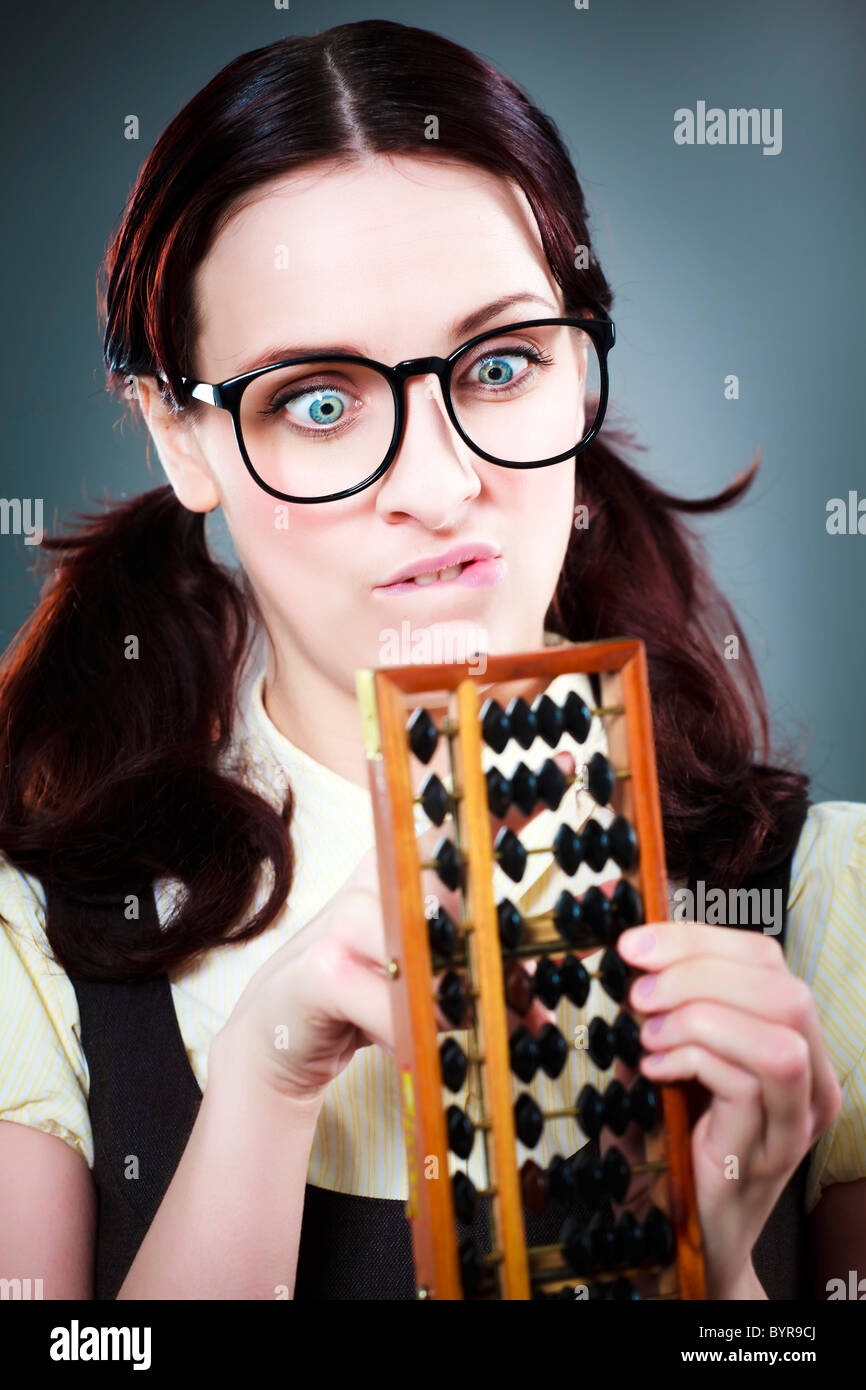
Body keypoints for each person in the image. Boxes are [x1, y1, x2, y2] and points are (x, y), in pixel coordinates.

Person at [0, 19, 862, 1302]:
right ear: (180, 437)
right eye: (320, 399)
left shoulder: (823, 898)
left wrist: (712, 1277)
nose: (435, 480)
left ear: (576, 369)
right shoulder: (34, 940)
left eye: (499, 363)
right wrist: (260, 1091)